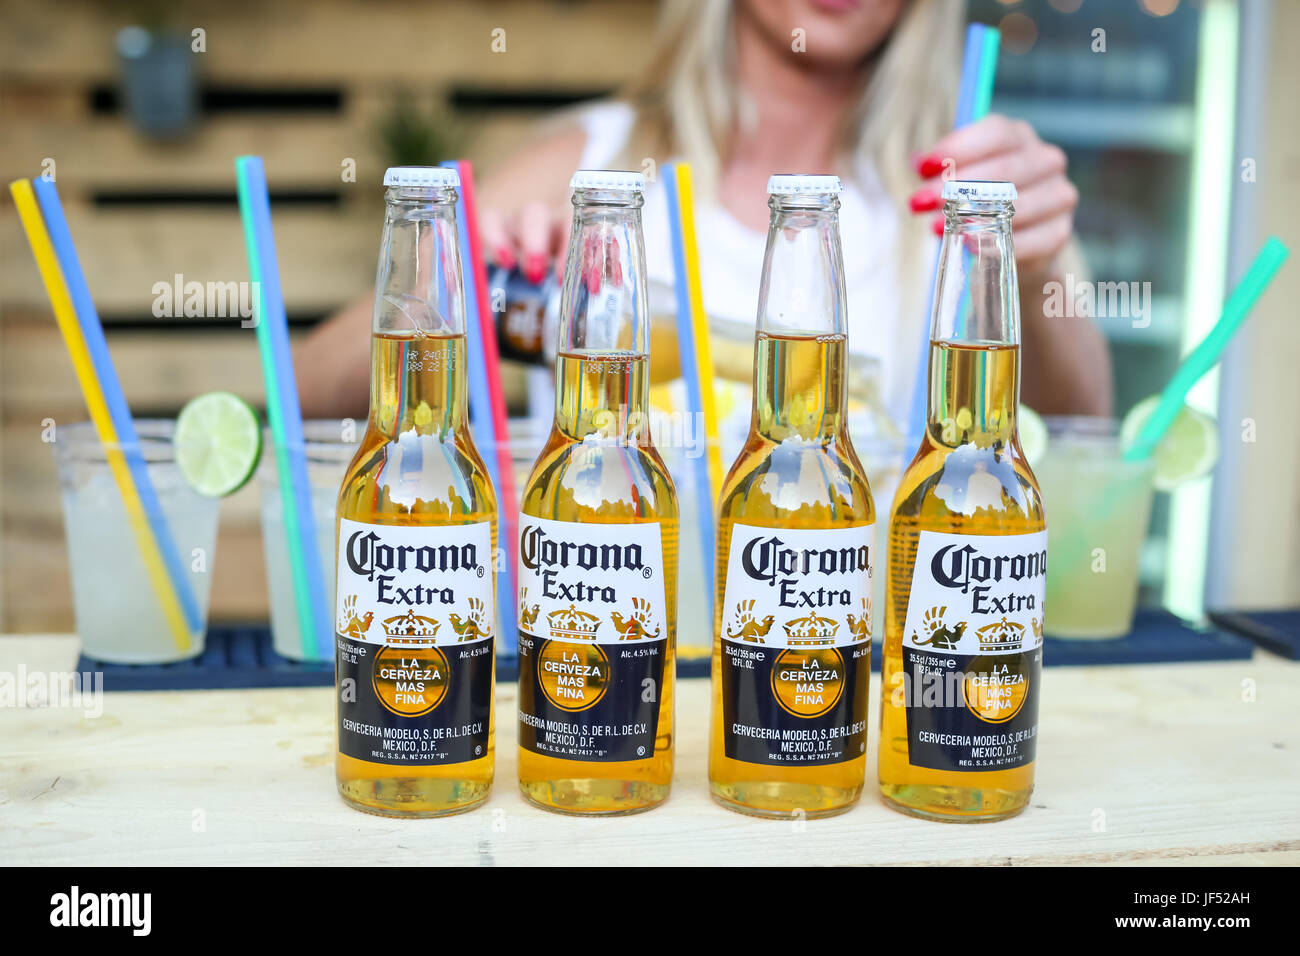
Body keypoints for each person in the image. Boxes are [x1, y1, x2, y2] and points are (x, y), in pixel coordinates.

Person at [298, 0, 1111, 427]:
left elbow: (1076, 439)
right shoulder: (589, 170)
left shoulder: (956, 195)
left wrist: (1036, 270)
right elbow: (304, 389)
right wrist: (468, 285)